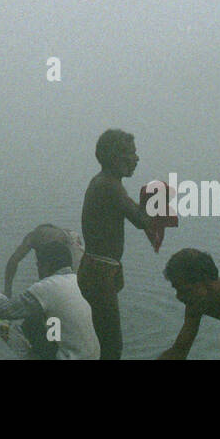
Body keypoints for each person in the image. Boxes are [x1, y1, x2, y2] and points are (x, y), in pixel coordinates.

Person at [78, 129, 162, 360]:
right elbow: (140, 220)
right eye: (131, 154)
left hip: (99, 267)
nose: (136, 159)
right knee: (112, 345)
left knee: (101, 338)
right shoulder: (109, 185)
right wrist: (155, 198)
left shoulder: (106, 182)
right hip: (99, 271)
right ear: (115, 157)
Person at [0, 239, 99, 360]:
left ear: (45, 265)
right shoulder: (80, 281)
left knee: (30, 321)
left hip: (70, 357)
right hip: (94, 356)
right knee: (44, 315)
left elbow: (6, 310)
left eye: (38, 265)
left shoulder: (47, 286)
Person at [4, 224, 84, 298]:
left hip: (69, 243)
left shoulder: (33, 237)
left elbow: (13, 261)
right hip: (73, 239)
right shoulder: (50, 234)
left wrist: (7, 290)